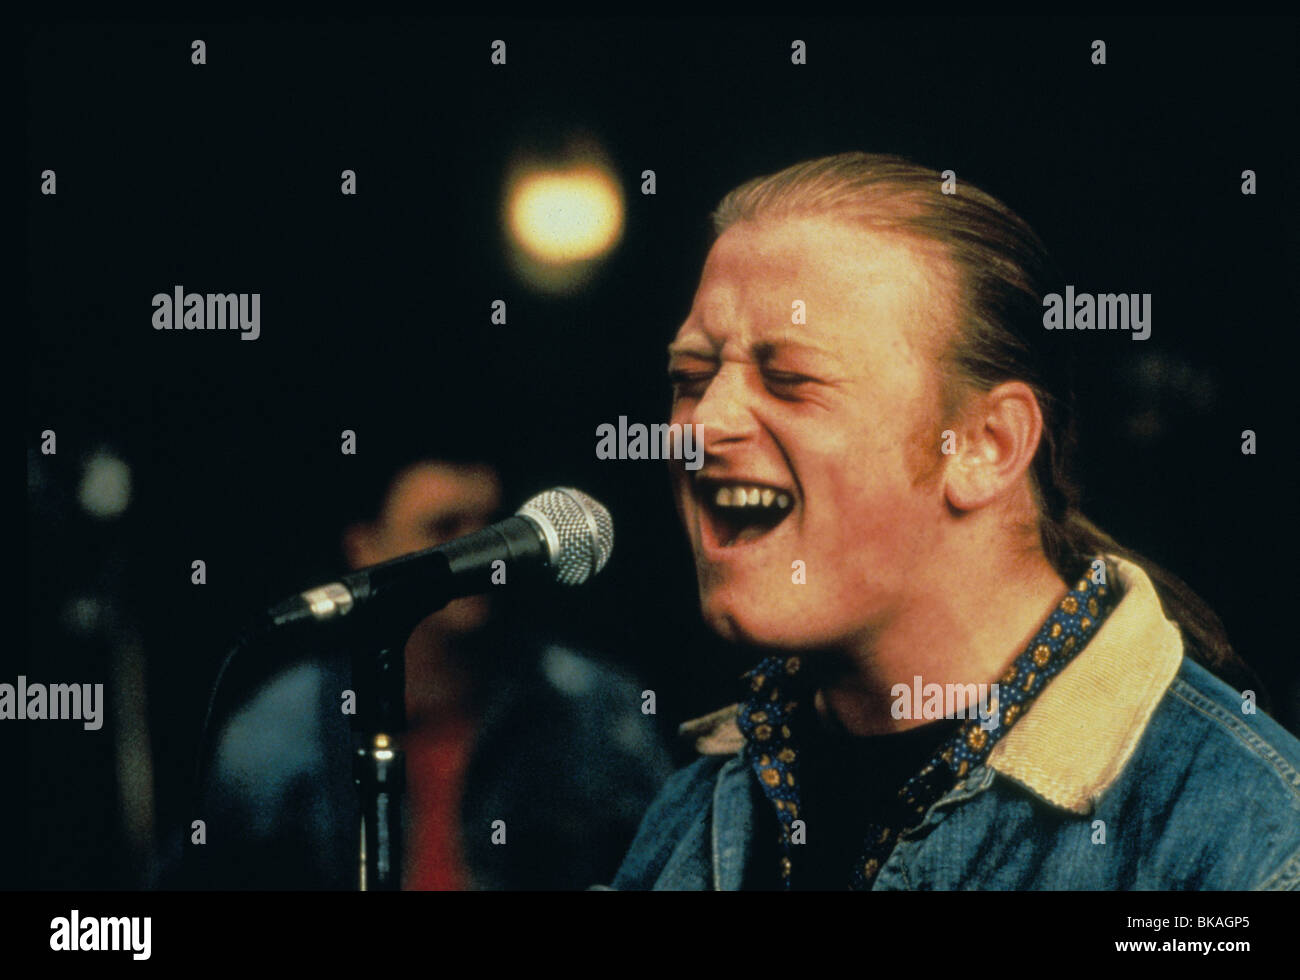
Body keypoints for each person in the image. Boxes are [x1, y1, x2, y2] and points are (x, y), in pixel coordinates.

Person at [611, 152, 1300, 891]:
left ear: (987, 446)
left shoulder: (1241, 840)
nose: (702, 424)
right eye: (690, 379)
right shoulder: (694, 809)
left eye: (791, 381)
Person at [174, 457, 671, 890]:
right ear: (364, 547)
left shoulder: (593, 705)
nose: (483, 552)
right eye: (444, 528)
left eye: (489, 525)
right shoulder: (275, 732)